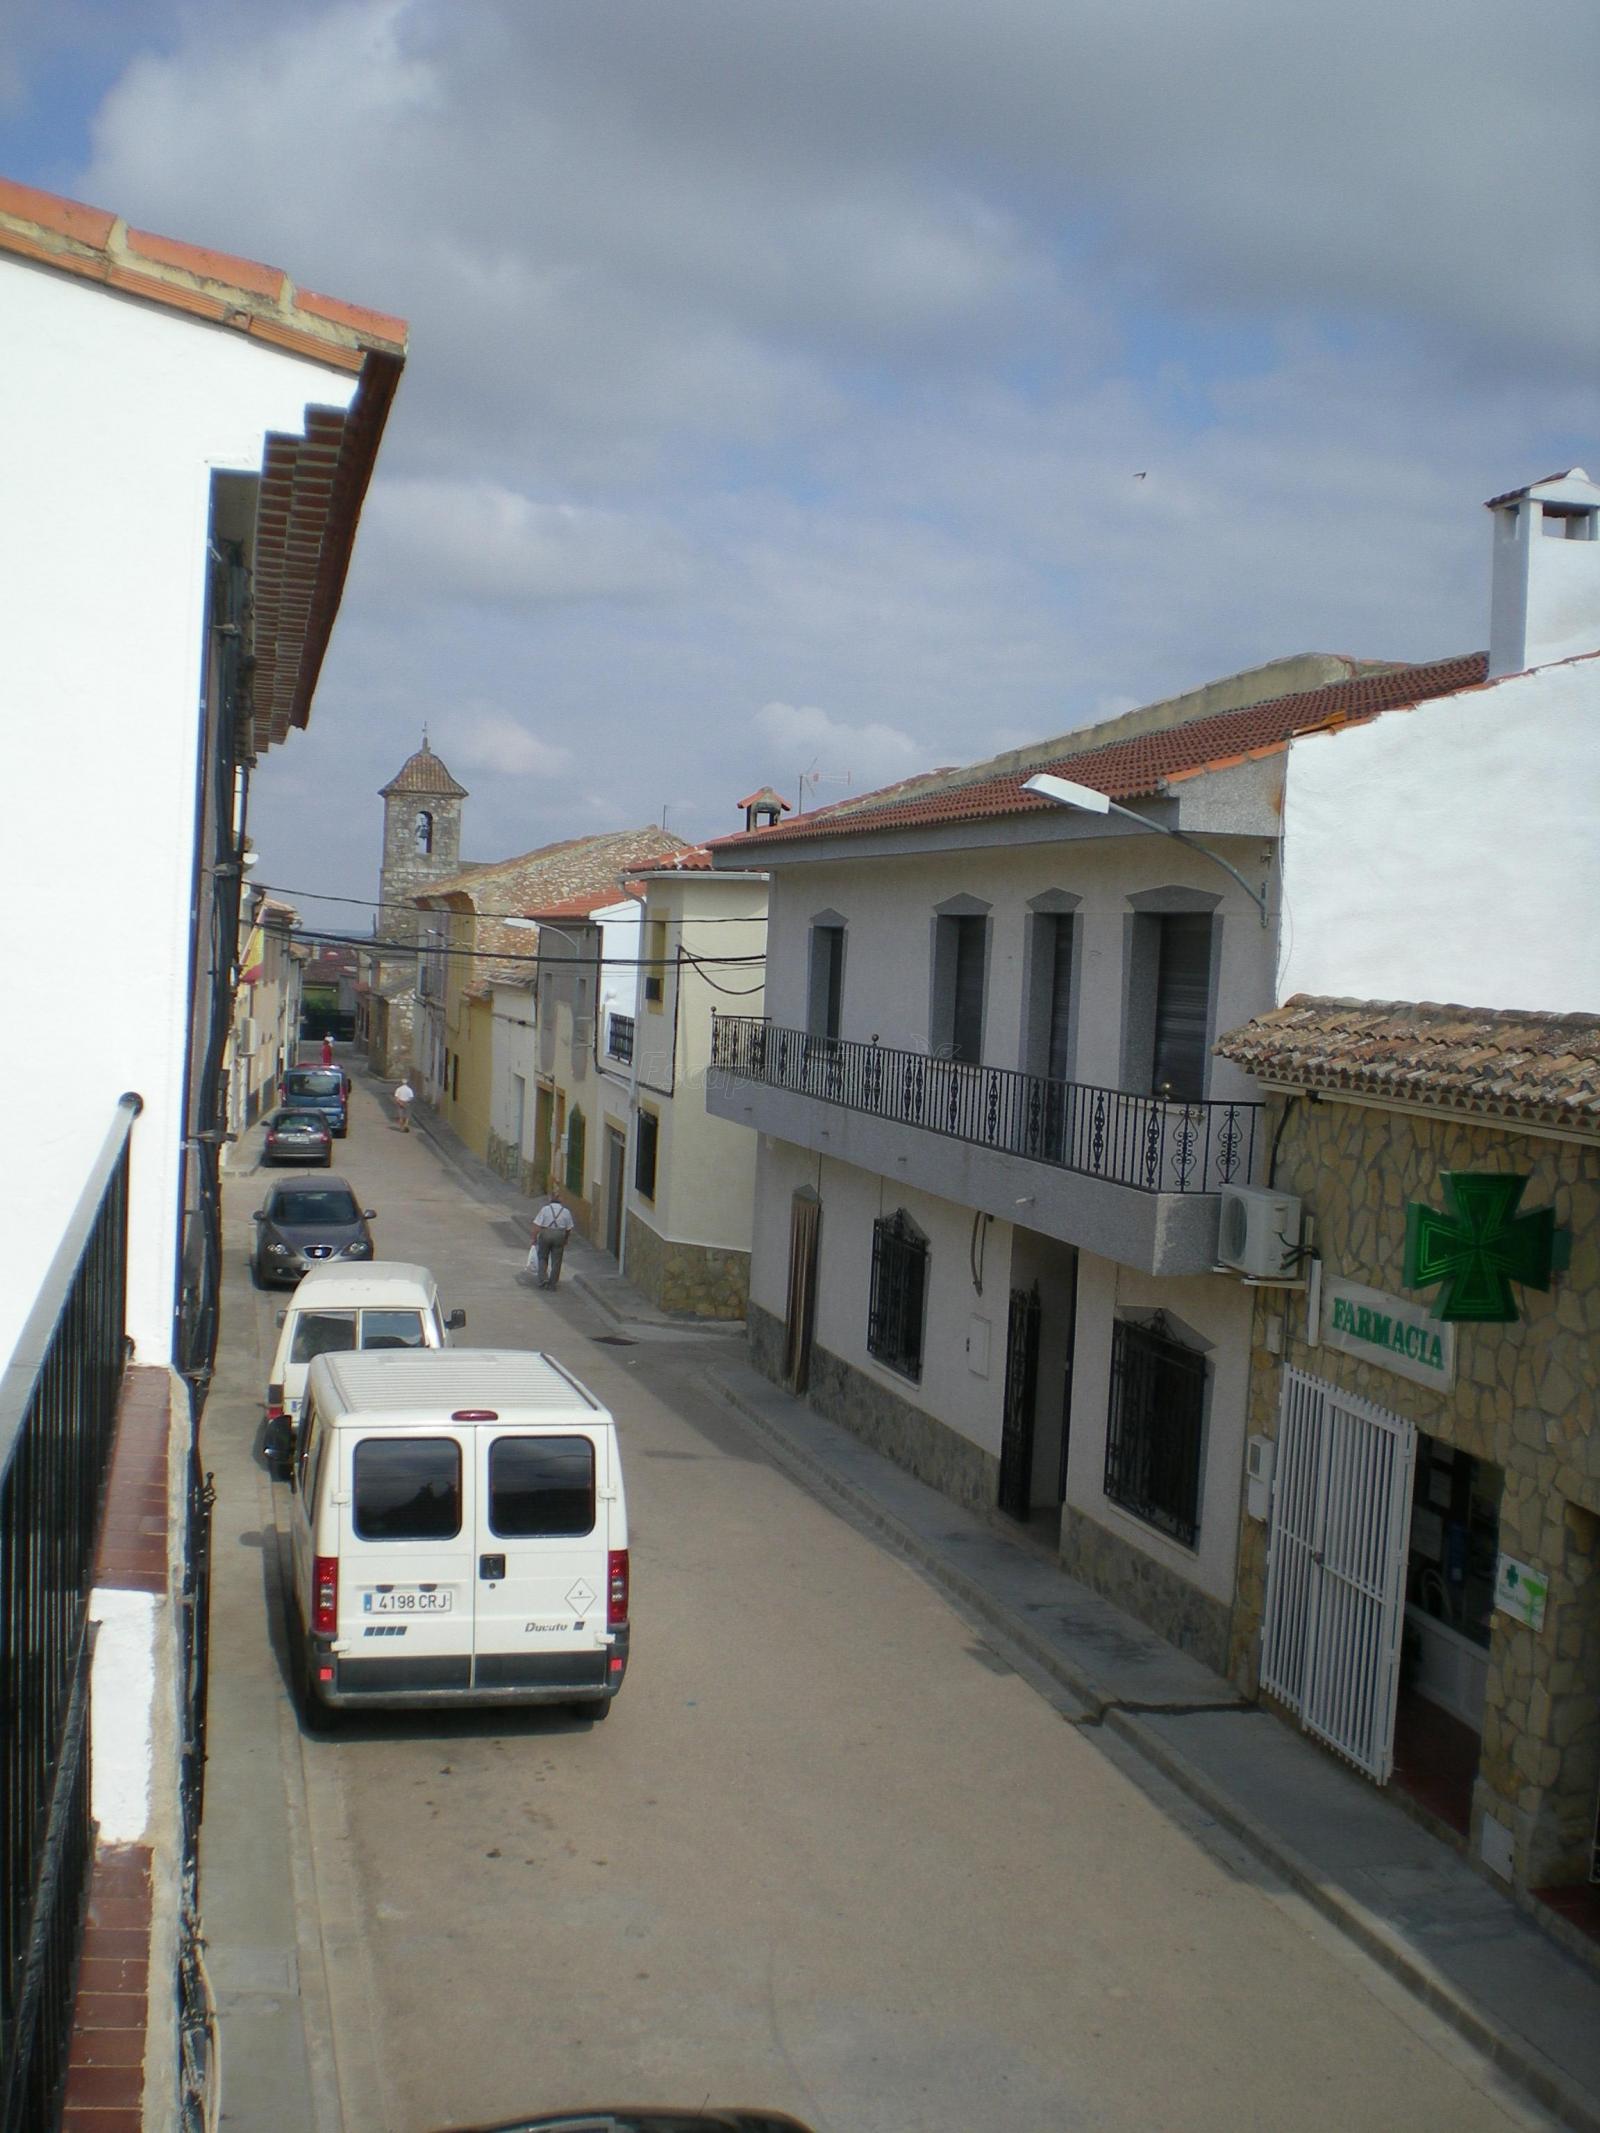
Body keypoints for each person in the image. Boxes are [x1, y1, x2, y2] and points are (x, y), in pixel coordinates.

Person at [530, 1188, 576, 1289]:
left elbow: (537, 1225)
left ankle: (543, 1278)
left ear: (551, 1198)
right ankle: (553, 1283)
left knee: (542, 1256)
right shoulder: (566, 1212)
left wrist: (533, 1238)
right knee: (557, 1260)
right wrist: (566, 1239)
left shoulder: (545, 1209)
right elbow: (569, 1229)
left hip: (546, 1233)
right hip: (559, 1235)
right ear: (561, 1199)